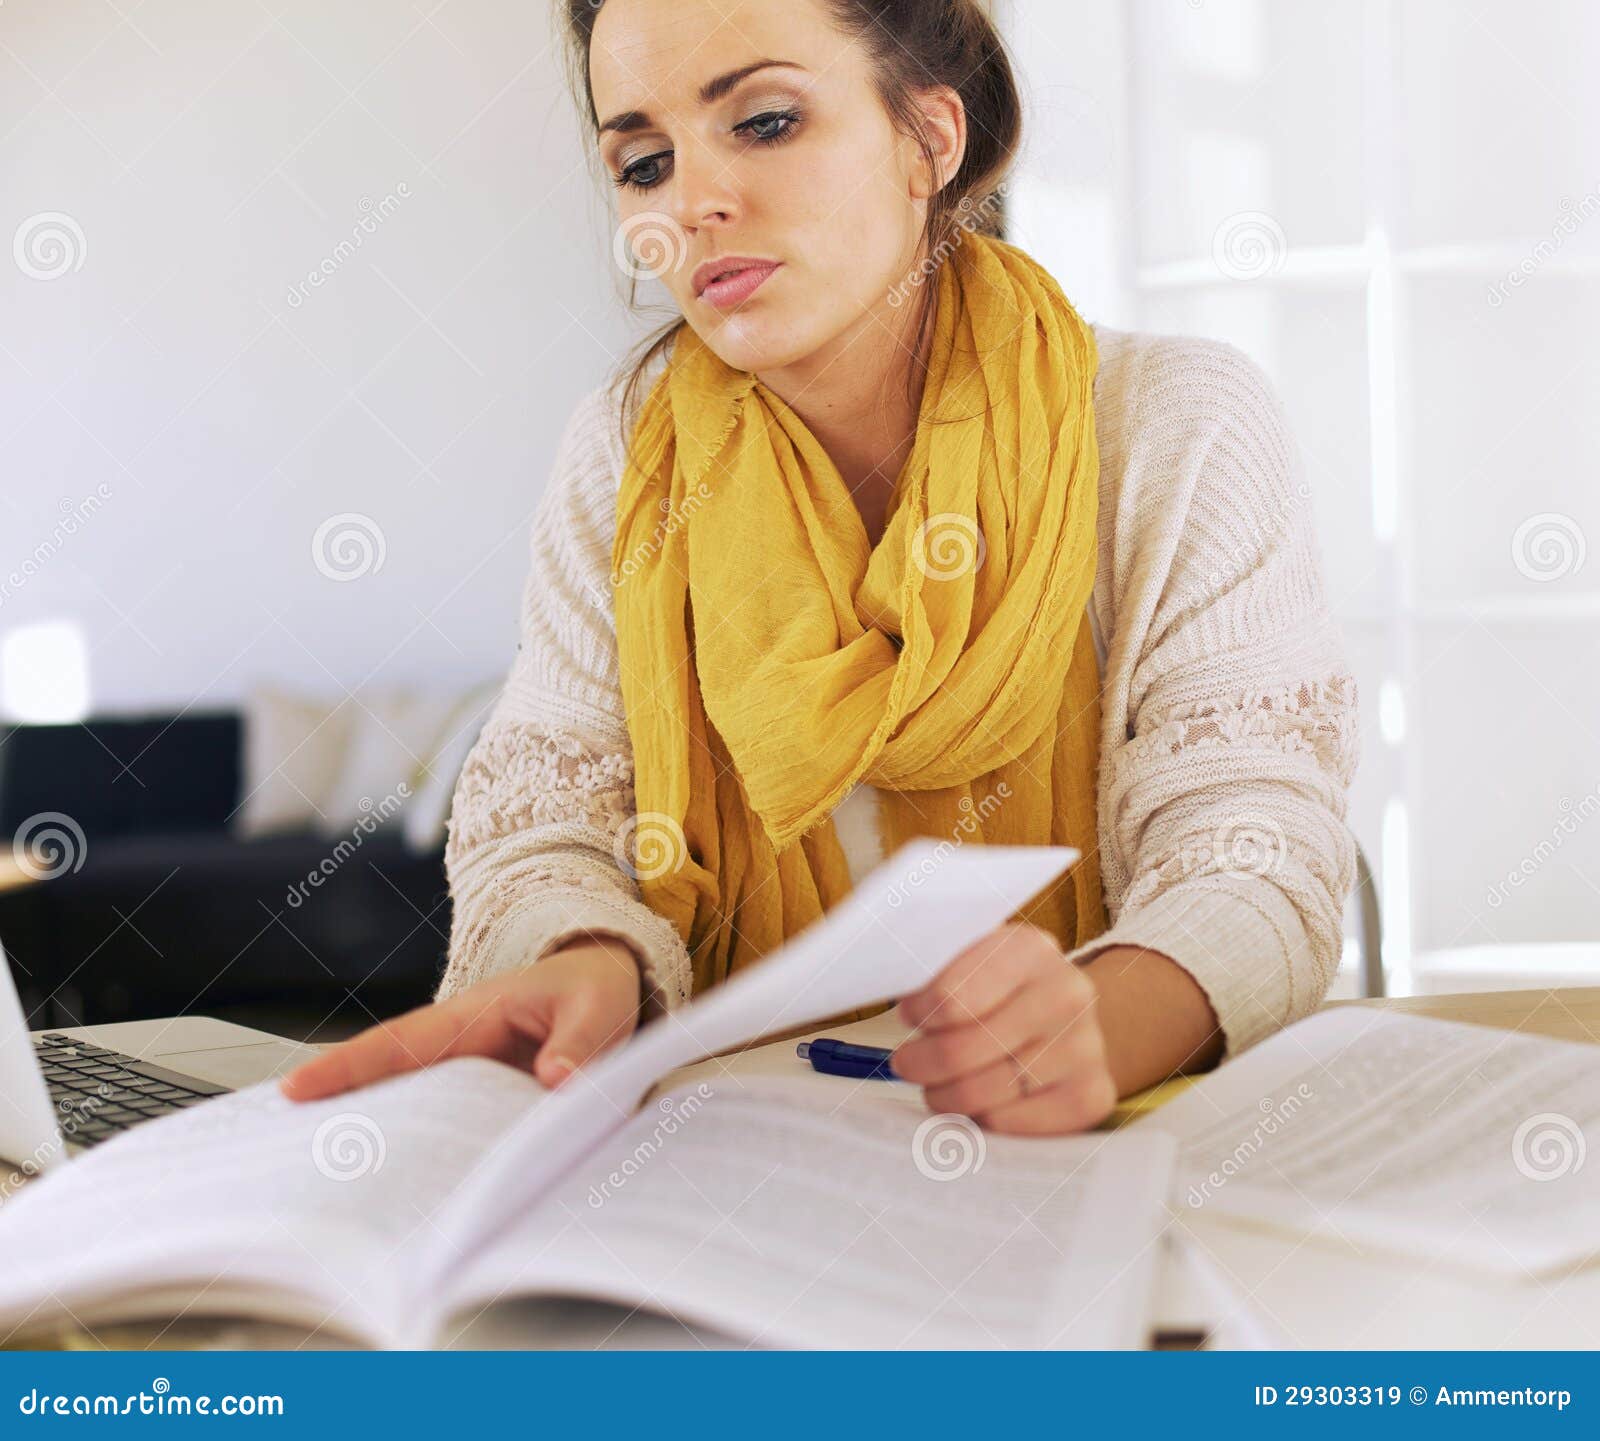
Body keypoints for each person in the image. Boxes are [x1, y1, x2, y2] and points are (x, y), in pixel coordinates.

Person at [282, 0, 1359, 1134]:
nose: (688, 205)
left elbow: (1255, 841)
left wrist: (1107, 1017)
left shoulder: (1172, 425)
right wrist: (584, 956)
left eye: (765, 122)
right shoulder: (627, 456)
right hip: (723, 1168)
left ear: (930, 140)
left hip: (1093, 1161)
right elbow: (546, 826)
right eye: (644, 163)